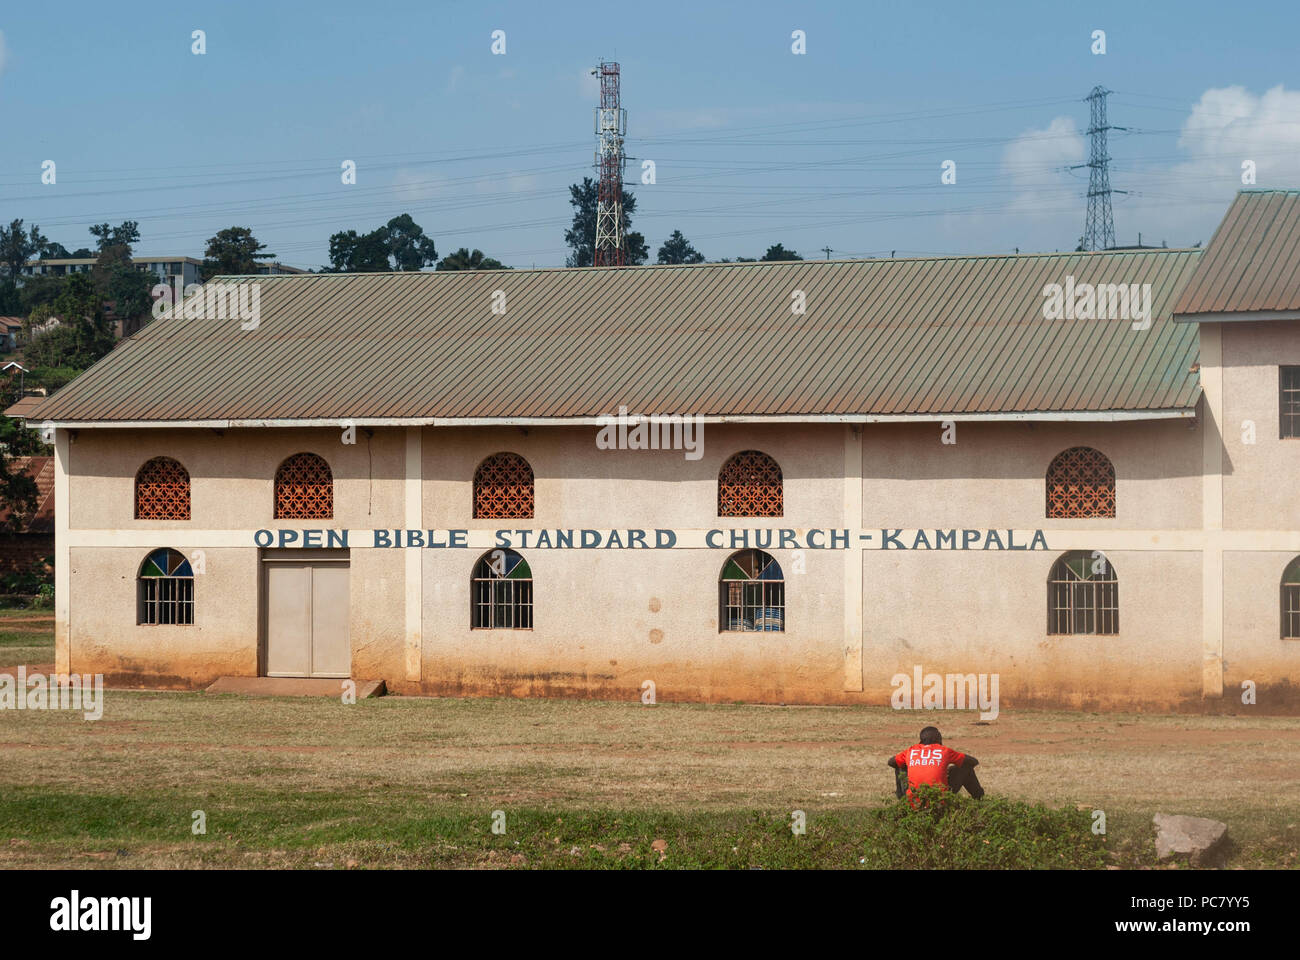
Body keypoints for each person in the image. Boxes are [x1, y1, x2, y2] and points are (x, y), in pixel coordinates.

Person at [888, 725, 984, 801]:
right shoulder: (944, 750)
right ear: (938, 739)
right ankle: (979, 799)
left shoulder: (910, 750)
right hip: (940, 799)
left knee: (899, 764)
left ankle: (902, 799)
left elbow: (891, 762)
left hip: (914, 800)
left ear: (921, 741)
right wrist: (947, 770)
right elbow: (973, 761)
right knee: (965, 767)